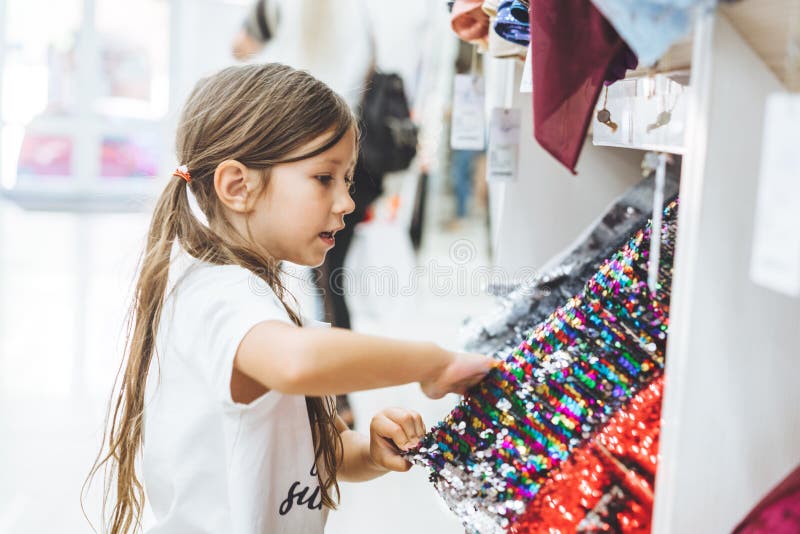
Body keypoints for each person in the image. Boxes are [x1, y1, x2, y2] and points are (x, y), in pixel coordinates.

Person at [83, 64, 492, 534]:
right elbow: (297, 363)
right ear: (238, 186)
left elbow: (321, 449)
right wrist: (432, 363)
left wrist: (369, 451)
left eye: (348, 181)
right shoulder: (216, 292)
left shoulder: (261, 297)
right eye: (324, 179)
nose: (346, 202)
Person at [232, 0, 382, 427]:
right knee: (331, 280)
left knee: (272, 267)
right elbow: (367, 69)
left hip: (288, 148)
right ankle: (339, 395)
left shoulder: (276, 5)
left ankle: (285, 381)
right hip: (342, 151)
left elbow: (241, 47)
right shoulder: (356, 11)